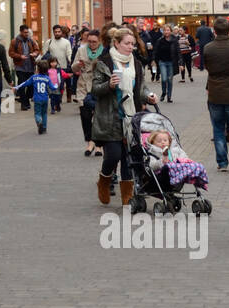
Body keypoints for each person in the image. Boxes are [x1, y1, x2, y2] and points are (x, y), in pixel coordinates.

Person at [91, 27, 156, 206]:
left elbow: (141, 88)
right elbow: (95, 90)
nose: (130, 47)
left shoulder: (136, 63)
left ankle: (128, 197)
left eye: (132, 44)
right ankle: (103, 181)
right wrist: (109, 85)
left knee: (129, 158)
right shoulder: (103, 63)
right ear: (117, 43)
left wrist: (149, 95)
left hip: (131, 118)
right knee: (113, 156)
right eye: (127, 43)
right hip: (110, 118)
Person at [203, 17, 229, 173]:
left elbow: (207, 67)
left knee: (218, 128)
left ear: (214, 31)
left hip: (215, 92)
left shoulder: (208, 48)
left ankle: (222, 163)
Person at [73, 28, 104, 156]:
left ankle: (99, 146)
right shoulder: (81, 50)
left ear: (99, 41)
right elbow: (73, 67)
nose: (91, 44)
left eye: (94, 42)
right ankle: (89, 142)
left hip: (99, 84)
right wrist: (78, 65)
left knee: (99, 116)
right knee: (85, 115)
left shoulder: (104, 51)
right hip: (84, 85)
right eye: (89, 41)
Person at [16, 60, 56, 134]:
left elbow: (25, 83)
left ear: (38, 69)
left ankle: (39, 122)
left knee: (37, 113)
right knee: (44, 113)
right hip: (45, 99)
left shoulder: (34, 77)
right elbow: (52, 88)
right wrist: (56, 86)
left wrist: (17, 87)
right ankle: (44, 127)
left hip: (37, 99)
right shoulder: (47, 78)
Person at [9, 25, 39, 110]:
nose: (27, 34)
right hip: (20, 67)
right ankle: (24, 104)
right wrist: (19, 56)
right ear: (21, 32)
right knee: (22, 85)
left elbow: (37, 49)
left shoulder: (31, 40)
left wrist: (35, 54)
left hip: (30, 66)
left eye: (28, 32)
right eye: (25, 32)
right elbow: (10, 53)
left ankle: (26, 100)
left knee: (30, 86)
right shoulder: (15, 41)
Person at [154, 25, 179, 103]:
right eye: (165, 30)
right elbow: (155, 51)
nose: (166, 32)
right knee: (164, 79)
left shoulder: (174, 40)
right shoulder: (160, 40)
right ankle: (164, 92)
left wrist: (181, 63)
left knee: (170, 80)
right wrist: (153, 60)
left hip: (171, 62)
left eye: (168, 30)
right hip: (162, 62)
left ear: (170, 31)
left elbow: (178, 51)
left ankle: (169, 96)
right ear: (163, 31)